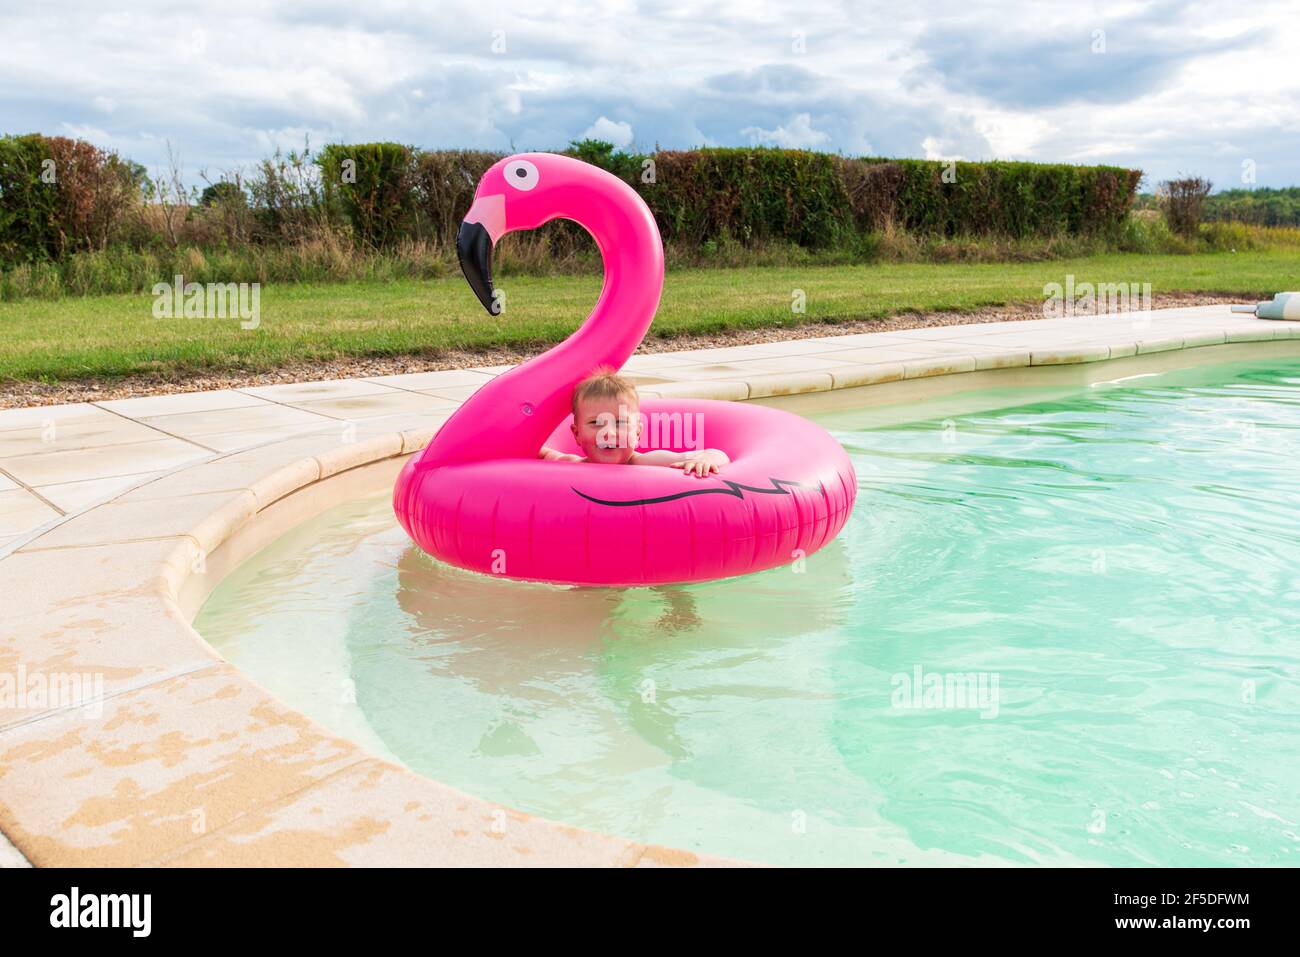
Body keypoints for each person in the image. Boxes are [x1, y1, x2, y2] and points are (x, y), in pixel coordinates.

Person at [539, 366, 730, 477]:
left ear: (637, 433)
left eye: (620, 423)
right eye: (596, 423)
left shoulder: (648, 462)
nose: (609, 433)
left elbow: (717, 453)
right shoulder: (571, 465)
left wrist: (706, 460)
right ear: (576, 434)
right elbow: (541, 452)